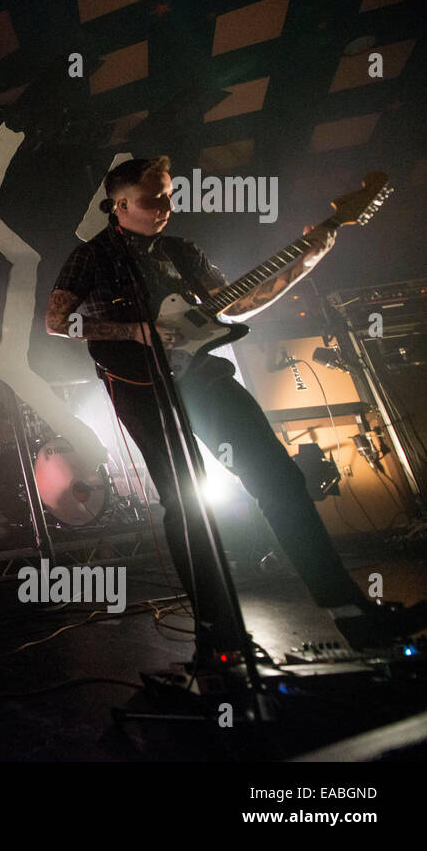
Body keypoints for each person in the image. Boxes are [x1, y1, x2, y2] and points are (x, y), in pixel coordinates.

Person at [44, 156, 426, 662]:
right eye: (153, 199)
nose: (165, 206)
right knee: (185, 502)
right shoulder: (90, 256)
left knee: (280, 478)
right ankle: (218, 635)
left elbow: (237, 303)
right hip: (140, 386)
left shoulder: (182, 251)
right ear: (119, 205)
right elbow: (58, 323)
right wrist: (134, 330)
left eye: (169, 195)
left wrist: (306, 260)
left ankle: (353, 614)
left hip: (204, 376)